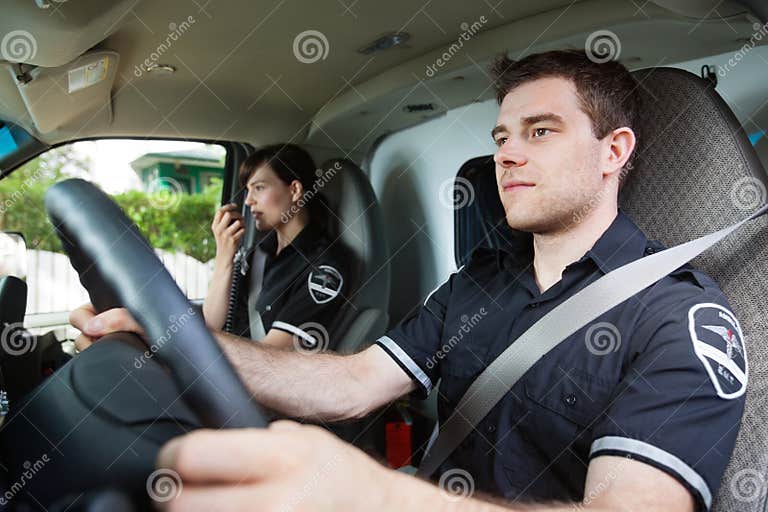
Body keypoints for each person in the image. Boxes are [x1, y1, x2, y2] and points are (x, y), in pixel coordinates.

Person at [71, 50, 746, 511]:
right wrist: (174, 337)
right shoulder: (478, 284)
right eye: (502, 134)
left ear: (614, 151)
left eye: (540, 131)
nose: (507, 152)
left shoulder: (677, 318)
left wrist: (377, 495)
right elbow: (351, 382)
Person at [203, 143, 347, 350]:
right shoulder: (259, 253)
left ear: (295, 190)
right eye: (247, 190)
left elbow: (270, 355)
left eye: (259, 188)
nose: (248, 201)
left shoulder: (324, 268)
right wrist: (224, 257)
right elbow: (212, 323)